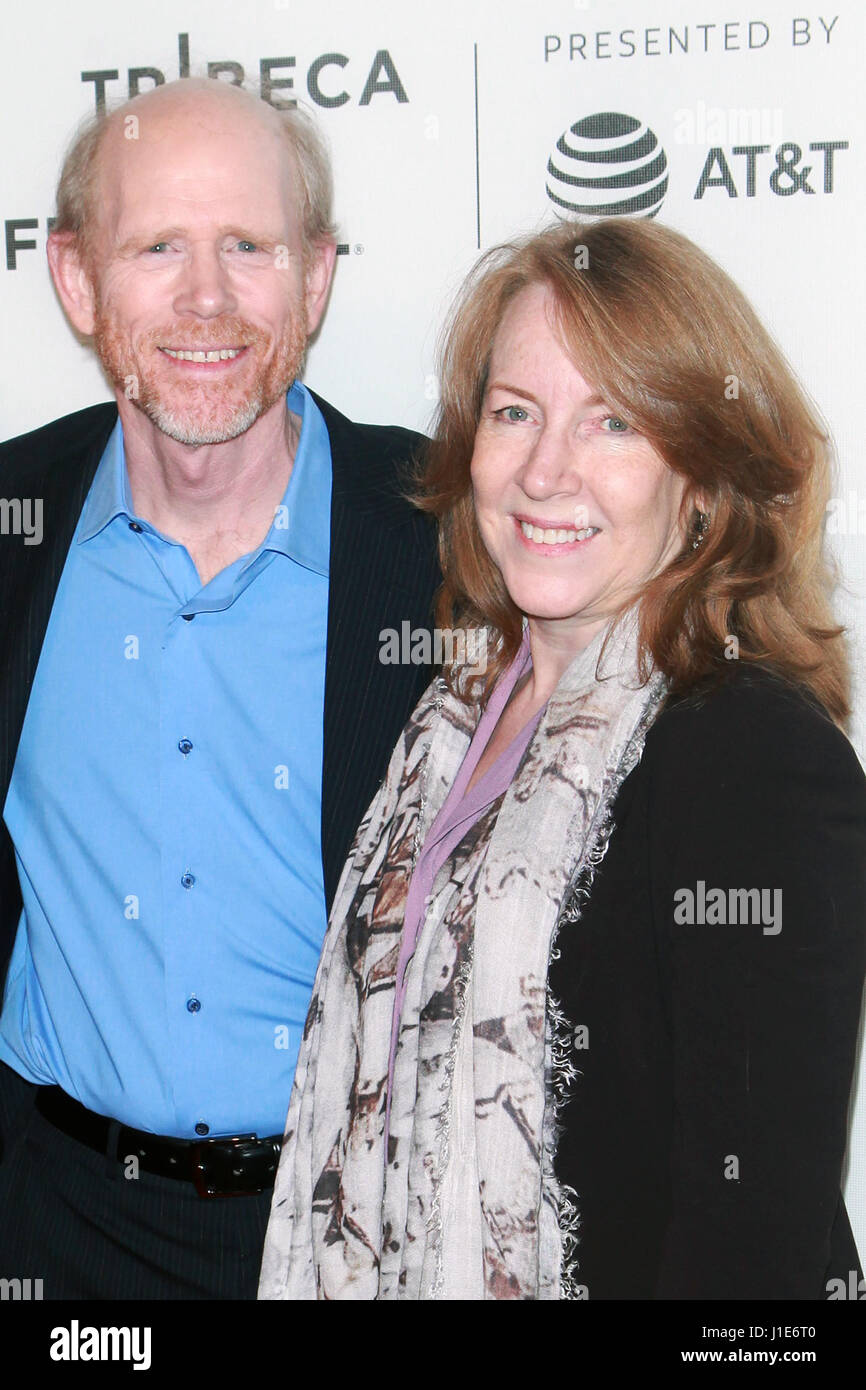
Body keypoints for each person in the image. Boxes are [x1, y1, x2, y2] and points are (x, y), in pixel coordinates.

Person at [258, 216, 866, 1300]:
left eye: (613, 422)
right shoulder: (447, 722)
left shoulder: (754, 758)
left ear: (701, 479)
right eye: (514, 413)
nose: (546, 470)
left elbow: (752, 1248)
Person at [0, 77, 438, 1299]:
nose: (205, 299)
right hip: (61, 1233)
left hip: (360, 1237)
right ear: (78, 281)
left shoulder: (455, 545)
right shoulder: (9, 532)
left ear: (316, 276)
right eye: (158, 248)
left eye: (248, 245)